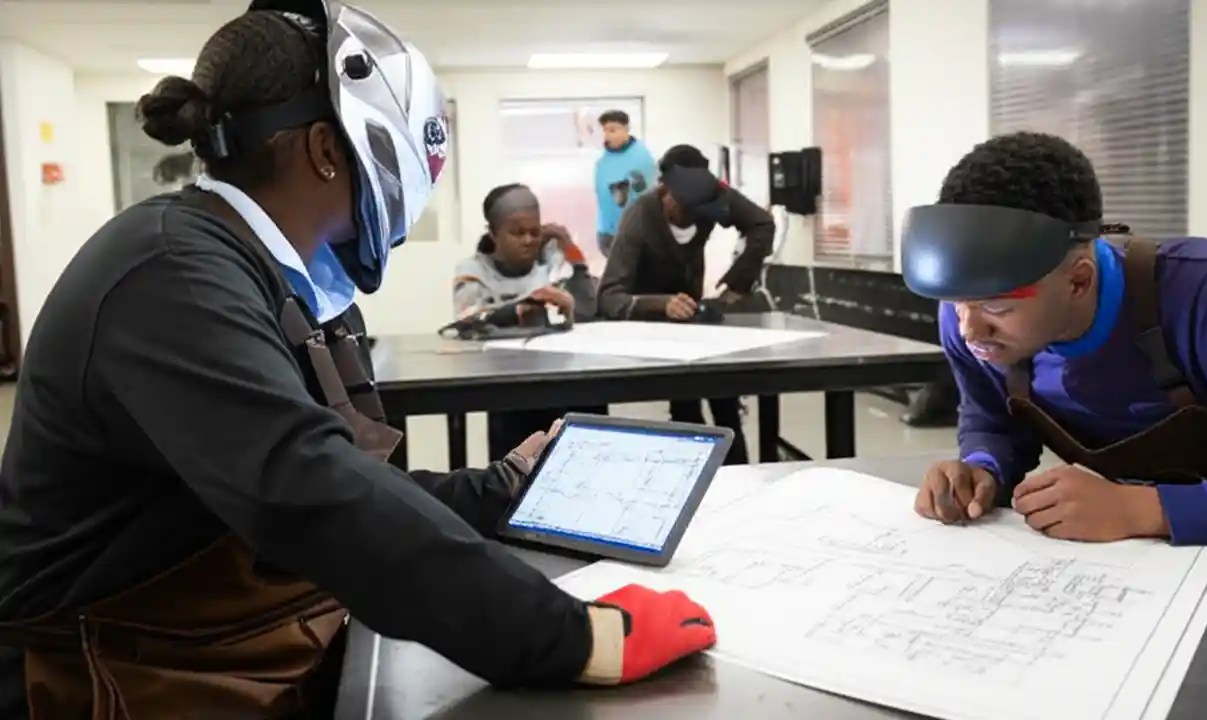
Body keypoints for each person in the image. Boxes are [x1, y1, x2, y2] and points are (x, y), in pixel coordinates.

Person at [0, 3, 715, 718]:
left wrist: (498, 488)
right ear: (326, 149)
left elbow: (348, 482)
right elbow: (310, 493)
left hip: (204, 642)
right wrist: (577, 638)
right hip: (100, 677)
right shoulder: (170, 275)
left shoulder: (260, 269)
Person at [901, 131, 1207, 550]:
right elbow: (993, 421)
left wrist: (1145, 510)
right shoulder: (971, 318)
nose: (969, 331)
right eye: (956, 303)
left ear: (1079, 280)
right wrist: (981, 468)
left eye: (998, 308)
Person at [597, 144, 775, 465]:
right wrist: (660, 305)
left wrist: (739, 279)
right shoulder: (639, 217)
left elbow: (762, 224)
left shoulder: (710, 200)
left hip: (692, 320)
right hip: (648, 326)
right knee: (686, 412)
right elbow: (608, 296)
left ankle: (739, 476)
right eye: (682, 205)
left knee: (726, 406)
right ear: (663, 190)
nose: (688, 215)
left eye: (697, 209)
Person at [454, 183, 607, 461]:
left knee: (591, 408)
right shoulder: (473, 270)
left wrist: (570, 247)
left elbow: (588, 307)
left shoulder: (553, 262)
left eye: (535, 232)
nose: (528, 240)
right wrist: (520, 309)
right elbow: (467, 320)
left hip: (561, 380)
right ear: (493, 233)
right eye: (517, 232)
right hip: (508, 388)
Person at [594, 109, 657, 257]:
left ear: (626, 129)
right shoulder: (603, 161)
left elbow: (644, 194)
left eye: (613, 130)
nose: (607, 135)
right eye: (605, 130)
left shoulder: (641, 158)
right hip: (606, 231)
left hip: (632, 232)